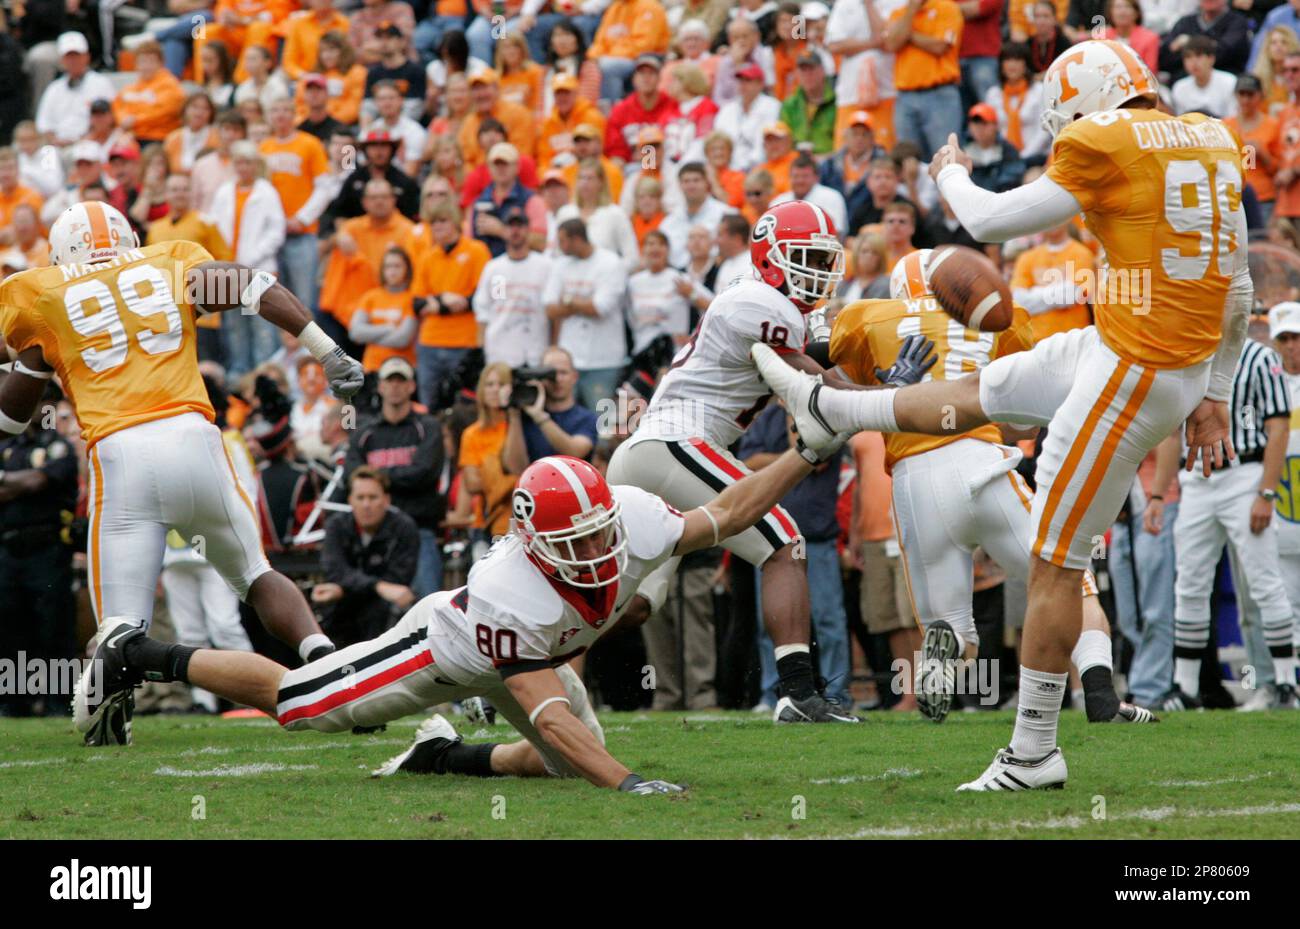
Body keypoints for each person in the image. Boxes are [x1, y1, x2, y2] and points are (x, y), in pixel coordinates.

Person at [753, 40, 1251, 784]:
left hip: (1132, 372)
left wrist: (949, 171)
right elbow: (1238, 287)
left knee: (1054, 565)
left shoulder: (1103, 137)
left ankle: (1033, 751)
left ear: (1084, 105)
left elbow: (987, 221)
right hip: (1141, 353)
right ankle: (831, 405)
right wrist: (1214, 393)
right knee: (979, 391)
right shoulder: (1209, 135)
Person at [78, 442, 836, 789]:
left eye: (600, 531)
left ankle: (439, 756)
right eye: (577, 541)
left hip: (525, 654)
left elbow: (728, 511)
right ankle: (138, 654)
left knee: (560, 766)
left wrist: (803, 452)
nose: (598, 549)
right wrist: (632, 783)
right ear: (535, 542)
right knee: (303, 705)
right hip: (443, 648)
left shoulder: (631, 514)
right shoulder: (514, 588)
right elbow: (552, 716)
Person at [0, 200, 365, 745]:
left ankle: (114, 718)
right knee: (255, 574)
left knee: (119, 627)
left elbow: (10, 420)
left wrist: (31, 358)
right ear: (129, 238)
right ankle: (330, 663)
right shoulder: (170, 259)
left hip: (120, 453)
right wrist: (327, 351)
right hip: (195, 439)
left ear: (60, 255)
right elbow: (255, 285)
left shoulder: (39, 292)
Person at [829, 249, 1151, 724]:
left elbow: (832, 385)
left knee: (954, 630)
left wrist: (891, 388)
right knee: (1070, 580)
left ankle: (945, 658)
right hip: (980, 463)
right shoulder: (1000, 320)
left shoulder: (866, 318)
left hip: (914, 484)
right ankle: (1100, 693)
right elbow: (1023, 414)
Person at [608, 199, 866, 724]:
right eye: (808, 259)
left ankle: (517, 654)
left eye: (825, 260)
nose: (819, 272)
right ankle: (797, 694)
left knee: (630, 604)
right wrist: (893, 396)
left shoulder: (754, 301)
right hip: (675, 445)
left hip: (651, 455)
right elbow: (820, 386)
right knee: (784, 543)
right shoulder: (759, 301)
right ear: (771, 256)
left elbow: (815, 360)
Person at [1153, 334, 1295, 710]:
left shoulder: (1260, 358)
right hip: (1196, 477)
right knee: (1190, 583)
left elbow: (1278, 428)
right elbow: (1171, 432)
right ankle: (1185, 686)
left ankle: (1285, 682)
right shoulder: (1187, 354)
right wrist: (1157, 495)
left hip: (1243, 473)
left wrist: (1266, 491)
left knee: (1264, 580)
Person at [740, 405, 854, 710]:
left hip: (817, 537)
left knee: (829, 622)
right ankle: (775, 693)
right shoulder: (766, 418)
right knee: (771, 623)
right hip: (773, 540)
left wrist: (794, 415)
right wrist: (789, 460)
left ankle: (837, 694)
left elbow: (811, 456)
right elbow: (747, 463)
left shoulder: (824, 412)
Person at [0, 392, 79, 718]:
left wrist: (10, 482)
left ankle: (59, 700)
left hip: (47, 547)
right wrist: (20, 483)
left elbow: (37, 481)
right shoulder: (8, 446)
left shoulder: (59, 447)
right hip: (9, 547)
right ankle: (15, 700)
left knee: (53, 625)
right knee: (10, 624)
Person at [344, 357, 446, 598]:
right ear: (380, 386)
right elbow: (351, 476)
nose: (395, 386)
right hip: (372, 534)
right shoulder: (364, 432)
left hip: (420, 530)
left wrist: (374, 477)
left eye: (401, 381)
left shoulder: (428, 427)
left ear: (412, 386)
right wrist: (402, 477)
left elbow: (425, 474)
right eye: (390, 381)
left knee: (429, 604)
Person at [313, 466, 420, 648]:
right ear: (350, 500)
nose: (366, 505)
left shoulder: (404, 528)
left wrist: (345, 589)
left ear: (386, 499)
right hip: (342, 609)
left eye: (373, 497)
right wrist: (377, 586)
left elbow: (398, 580)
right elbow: (335, 570)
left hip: (383, 613)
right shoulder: (336, 526)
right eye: (360, 497)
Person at [413, 201, 491, 409]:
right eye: (433, 222)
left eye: (443, 221)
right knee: (429, 405)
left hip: (465, 341)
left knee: (465, 406)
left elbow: (483, 297)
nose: (437, 226)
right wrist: (446, 300)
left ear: (456, 223)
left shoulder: (477, 251)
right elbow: (417, 303)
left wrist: (437, 304)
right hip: (430, 342)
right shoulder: (427, 257)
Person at [544, 218, 630, 407]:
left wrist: (568, 301)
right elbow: (550, 309)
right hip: (569, 357)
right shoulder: (560, 265)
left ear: (576, 239)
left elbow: (600, 308)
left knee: (602, 418)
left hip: (604, 359)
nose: (559, 246)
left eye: (562, 241)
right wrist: (583, 304)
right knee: (563, 413)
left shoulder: (610, 262)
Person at [473, 208, 553, 367]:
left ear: (528, 230)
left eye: (520, 226)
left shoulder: (545, 266)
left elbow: (553, 311)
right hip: (500, 352)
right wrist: (481, 348)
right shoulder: (496, 268)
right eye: (510, 226)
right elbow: (488, 309)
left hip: (535, 352)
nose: (515, 231)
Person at [886, 0, 965, 160]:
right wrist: (911, 11)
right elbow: (892, 44)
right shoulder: (899, 13)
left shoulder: (948, 8)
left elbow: (939, 46)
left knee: (945, 159)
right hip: (905, 97)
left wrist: (906, 34)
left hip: (940, 94)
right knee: (906, 160)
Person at [502, 345, 599, 469]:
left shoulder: (588, 418)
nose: (557, 379)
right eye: (550, 374)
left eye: (563, 372)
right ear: (540, 377)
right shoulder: (525, 416)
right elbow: (516, 468)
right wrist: (514, 415)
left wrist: (540, 417)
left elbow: (575, 452)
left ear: (575, 377)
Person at [627, 229, 711, 352]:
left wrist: (695, 337)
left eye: (661, 244)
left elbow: (714, 305)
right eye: (650, 244)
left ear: (668, 250)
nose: (655, 248)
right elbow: (629, 317)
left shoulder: (679, 278)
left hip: (673, 354)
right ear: (643, 250)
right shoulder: (633, 282)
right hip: (642, 352)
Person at [35, 32, 117, 148]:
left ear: (87, 57)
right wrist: (55, 141)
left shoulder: (101, 83)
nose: (73, 61)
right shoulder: (54, 89)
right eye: (69, 57)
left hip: (92, 143)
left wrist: (83, 140)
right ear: (61, 60)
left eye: (77, 56)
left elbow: (109, 121)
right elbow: (44, 125)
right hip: (57, 146)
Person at [1159, 0, 1253, 82]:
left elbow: (1223, 53)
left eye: (1199, 56)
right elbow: (1165, 58)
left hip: (1225, 83)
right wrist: (1211, 45)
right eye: (1189, 56)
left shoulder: (1237, 22)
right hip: (1182, 83)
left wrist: (1186, 44)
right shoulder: (1185, 22)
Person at [713, 64, 782, 174]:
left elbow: (765, 145)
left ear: (760, 84)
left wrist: (748, 168)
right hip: (729, 170)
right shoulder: (727, 110)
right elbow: (717, 140)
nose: (743, 85)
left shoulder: (772, 106)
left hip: (761, 169)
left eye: (748, 80)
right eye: (740, 80)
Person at [770, 153, 849, 237]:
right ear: (789, 178)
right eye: (796, 176)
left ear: (816, 177)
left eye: (805, 176)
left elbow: (836, 233)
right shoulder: (778, 202)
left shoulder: (832, 197)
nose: (800, 181)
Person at [779, 52, 838, 156]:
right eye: (803, 70)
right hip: (796, 161)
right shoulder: (790, 105)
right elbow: (782, 140)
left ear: (822, 71)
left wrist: (825, 158)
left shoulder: (837, 102)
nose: (807, 75)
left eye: (811, 69)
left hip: (830, 160)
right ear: (797, 74)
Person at [1171, 36, 1238, 118]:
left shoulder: (1229, 82)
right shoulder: (1179, 88)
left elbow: (1233, 119)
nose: (1194, 62)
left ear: (1211, 59)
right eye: (1188, 57)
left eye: (1198, 56)